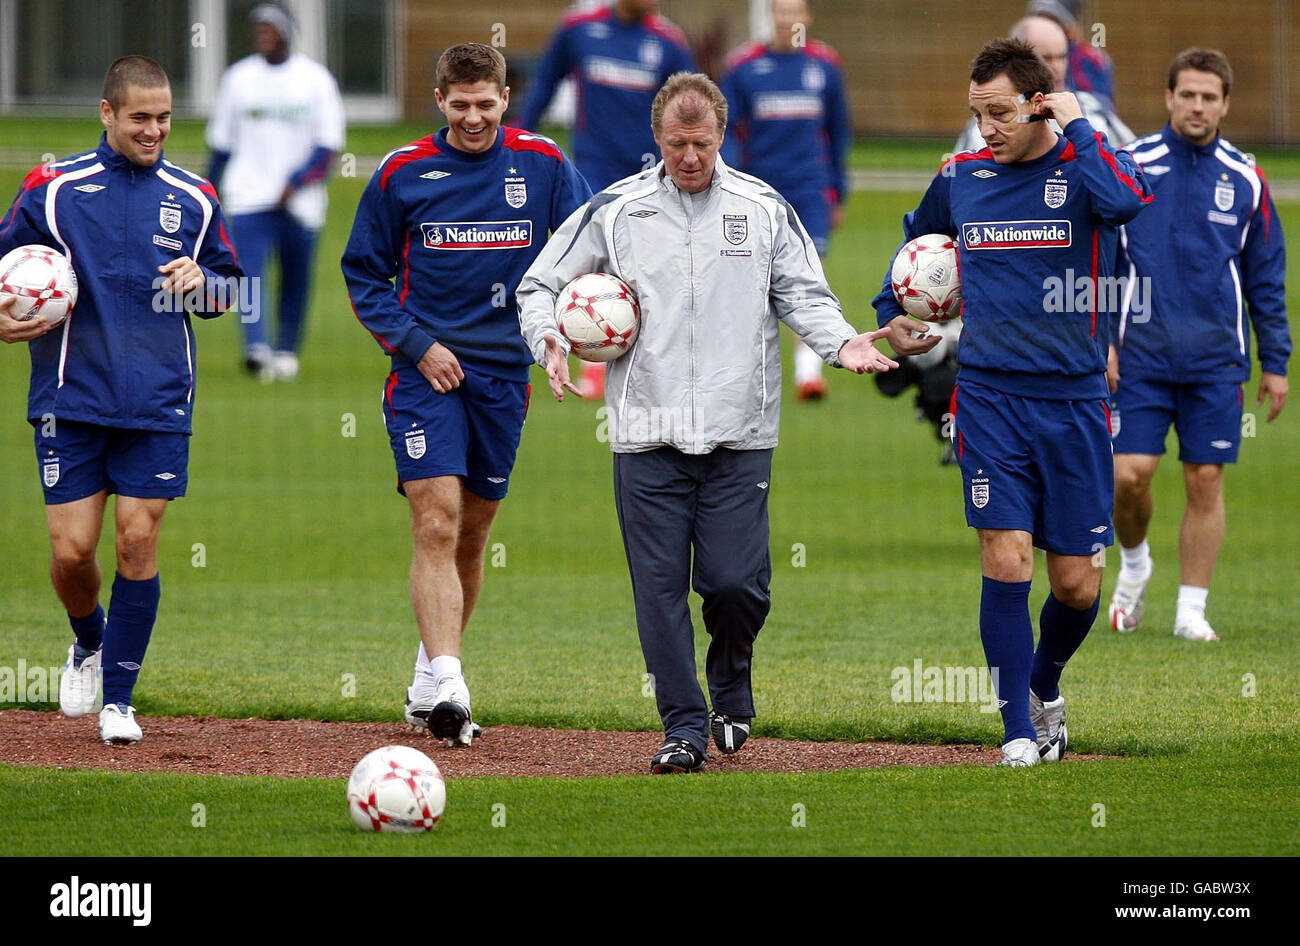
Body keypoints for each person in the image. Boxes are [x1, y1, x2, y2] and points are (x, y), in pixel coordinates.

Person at [518, 72, 898, 774]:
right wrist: (547, 336)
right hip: (644, 433)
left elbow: (804, 293)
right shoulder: (617, 210)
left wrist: (842, 344)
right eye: (675, 143)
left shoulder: (761, 208)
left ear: (723, 136)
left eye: (700, 142)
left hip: (739, 432)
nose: (688, 156)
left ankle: (731, 681)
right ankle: (683, 726)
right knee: (658, 593)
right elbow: (540, 282)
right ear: (656, 139)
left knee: (733, 585)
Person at [873, 39, 1152, 767]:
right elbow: (915, 244)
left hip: (1076, 402)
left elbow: (1127, 201)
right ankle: (1017, 735)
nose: (986, 128)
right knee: (1005, 560)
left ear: (1039, 105)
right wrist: (889, 309)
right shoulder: (961, 177)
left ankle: (1045, 691)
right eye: (977, 114)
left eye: (999, 113)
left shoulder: (1085, 171)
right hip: (990, 398)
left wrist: (1080, 124)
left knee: (1078, 585)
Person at [341, 43, 591, 746]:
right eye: (461, 105)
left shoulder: (543, 165)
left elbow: (588, 250)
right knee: (436, 520)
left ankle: (428, 675)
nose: (474, 117)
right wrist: (418, 345)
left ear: (506, 99)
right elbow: (364, 277)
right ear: (439, 100)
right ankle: (453, 681)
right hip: (425, 376)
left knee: (473, 534)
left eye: (487, 104)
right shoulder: (401, 173)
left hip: (504, 378)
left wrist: (569, 331)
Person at [0, 56, 241, 745]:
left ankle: (120, 700)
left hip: (159, 399)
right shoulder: (53, 189)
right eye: (140, 117)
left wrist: (205, 282)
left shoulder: (194, 196)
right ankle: (87, 641)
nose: (154, 129)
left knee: (138, 540)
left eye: (164, 117)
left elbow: (231, 291)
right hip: (69, 399)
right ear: (107, 114)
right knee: (72, 553)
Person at [1108, 48, 1289, 642]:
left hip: (1216, 361)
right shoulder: (1131, 165)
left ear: (1226, 104)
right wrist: (1101, 342)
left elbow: (1265, 274)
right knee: (1127, 476)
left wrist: (1277, 363)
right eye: (1187, 94)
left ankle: (1191, 610)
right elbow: (1099, 259)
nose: (1197, 105)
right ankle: (1135, 567)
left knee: (1204, 478)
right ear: (1168, 98)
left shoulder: (1245, 178)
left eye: (1209, 96)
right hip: (1138, 357)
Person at [520, 0, 695, 399]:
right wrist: (519, 142)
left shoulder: (668, 41)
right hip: (592, 170)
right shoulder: (579, 27)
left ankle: (655, 363)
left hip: (650, 176)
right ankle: (591, 359)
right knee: (591, 263)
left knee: (651, 266)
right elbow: (545, 82)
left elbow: (692, 107)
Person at [206, 3, 344, 381]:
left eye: (271, 29)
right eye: (259, 30)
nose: (263, 36)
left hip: (301, 202)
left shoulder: (315, 80)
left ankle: (286, 351)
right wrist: (207, 192)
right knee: (249, 275)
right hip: (249, 195)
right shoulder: (238, 78)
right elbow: (221, 143)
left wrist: (296, 182)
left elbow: (329, 145)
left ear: (287, 33)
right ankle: (256, 347)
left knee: (295, 278)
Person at [721, 0, 851, 401]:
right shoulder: (743, 67)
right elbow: (728, 133)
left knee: (809, 278)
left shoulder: (825, 66)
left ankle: (808, 374)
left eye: (795, 12)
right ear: (769, 17)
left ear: (807, 18)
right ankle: (745, 373)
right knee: (749, 281)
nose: (787, 20)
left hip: (810, 191)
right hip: (759, 194)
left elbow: (839, 131)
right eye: (779, 12)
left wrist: (838, 191)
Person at [954, 16, 1132, 154]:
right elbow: (958, 184)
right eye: (1045, 58)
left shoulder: (1093, 109)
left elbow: (1131, 163)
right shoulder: (988, 124)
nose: (1057, 67)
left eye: (1062, 56)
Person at [1027, 0, 1115, 107]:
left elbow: (1102, 105)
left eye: (1052, 20)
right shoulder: (1026, 50)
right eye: (1039, 19)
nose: (1046, 26)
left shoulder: (1090, 58)